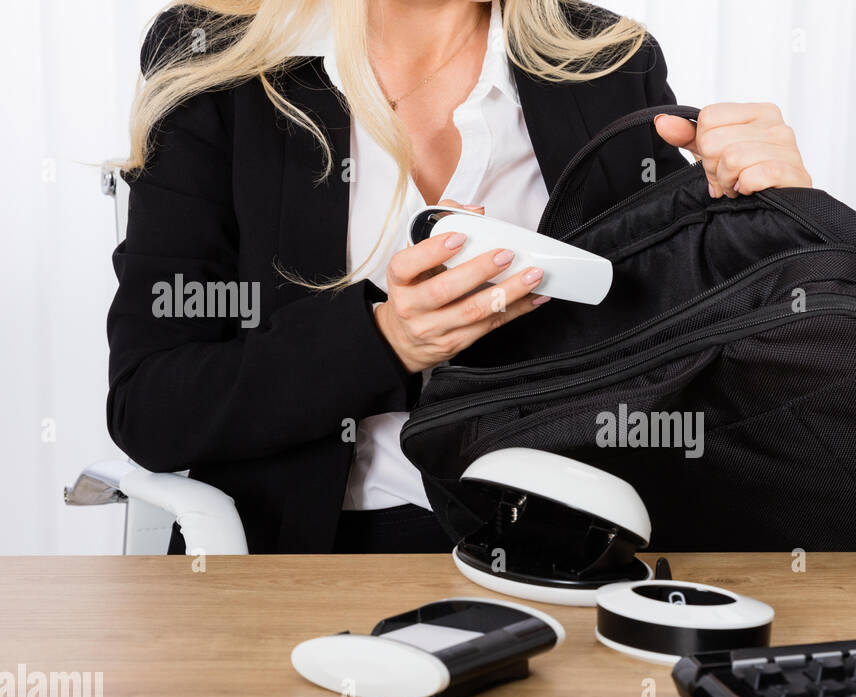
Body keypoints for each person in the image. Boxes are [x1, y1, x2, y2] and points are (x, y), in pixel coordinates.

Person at [107, 0, 812, 553]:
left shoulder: (605, 60)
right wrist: (386, 341)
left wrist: (772, 217)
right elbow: (153, 407)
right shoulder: (218, 50)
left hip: (568, 549)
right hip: (321, 551)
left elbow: (684, 352)